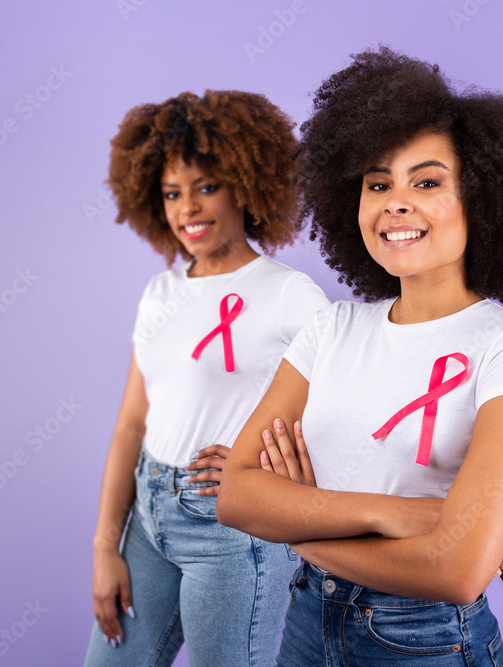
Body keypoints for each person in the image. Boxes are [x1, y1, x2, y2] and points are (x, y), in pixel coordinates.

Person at [216, 47, 503, 665]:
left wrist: (299, 525)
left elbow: (459, 571)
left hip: (426, 640)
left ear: (483, 201)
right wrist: (399, 514)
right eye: (378, 183)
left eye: (427, 182)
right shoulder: (330, 329)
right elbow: (236, 497)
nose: (395, 202)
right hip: (305, 622)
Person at [84, 90, 329, 666]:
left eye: (206, 186)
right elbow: (130, 426)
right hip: (148, 515)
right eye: (172, 193)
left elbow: (343, 413)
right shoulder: (161, 293)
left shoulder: (291, 296)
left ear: (246, 182)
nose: (187, 208)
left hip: (232, 532)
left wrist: (272, 470)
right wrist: (104, 549)